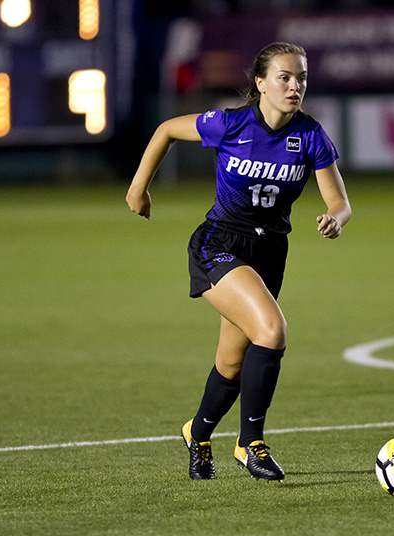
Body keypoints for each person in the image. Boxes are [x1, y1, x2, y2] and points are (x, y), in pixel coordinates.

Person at [125, 42, 351, 482]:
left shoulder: (309, 135)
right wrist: (139, 188)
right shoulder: (230, 124)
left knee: (231, 363)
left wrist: (336, 219)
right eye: (284, 77)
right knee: (272, 329)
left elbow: (339, 200)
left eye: (301, 77)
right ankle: (251, 443)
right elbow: (166, 130)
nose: (294, 86)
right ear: (260, 83)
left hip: (269, 254)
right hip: (219, 244)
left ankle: (198, 433)